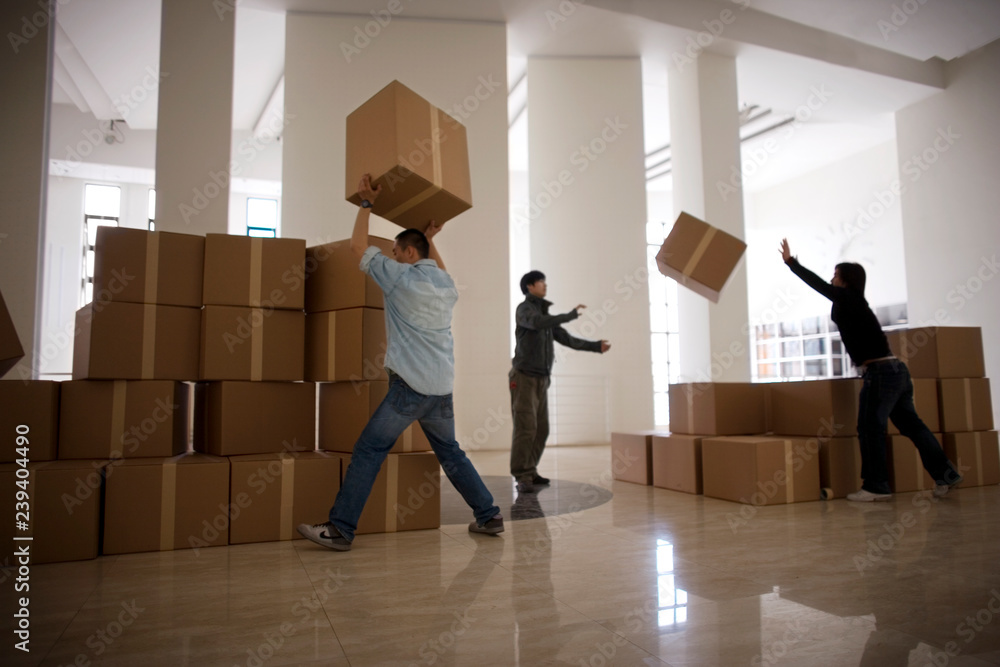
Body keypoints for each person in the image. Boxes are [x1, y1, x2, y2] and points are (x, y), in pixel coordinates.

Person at [298, 175, 503, 551]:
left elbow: (358, 246)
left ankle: (340, 529)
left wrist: (366, 203)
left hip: (409, 386)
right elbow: (437, 268)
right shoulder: (446, 285)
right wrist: (432, 240)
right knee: (450, 452)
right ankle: (488, 515)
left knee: (369, 449)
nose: (391, 257)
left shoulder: (399, 277)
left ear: (409, 253)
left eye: (395, 251)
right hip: (441, 388)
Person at [779, 238, 961, 501]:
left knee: (869, 427)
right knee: (913, 426)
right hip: (895, 372)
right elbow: (829, 293)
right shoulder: (851, 303)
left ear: (846, 280)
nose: (832, 279)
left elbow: (819, 285)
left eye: (836, 275)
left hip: (881, 375)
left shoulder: (849, 298)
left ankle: (876, 486)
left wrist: (791, 263)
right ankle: (946, 475)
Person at [509, 271, 610, 493]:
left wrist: (595, 346)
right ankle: (522, 475)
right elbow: (536, 323)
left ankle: (530, 470)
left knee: (541, 428)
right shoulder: (525, 310)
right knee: (526, 428)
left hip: (542, 378)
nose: (545, 285)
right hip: (524, 377)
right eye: (541, 282)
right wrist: (570, 314)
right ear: (529, 286)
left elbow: (567, 339)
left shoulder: (546, 317)